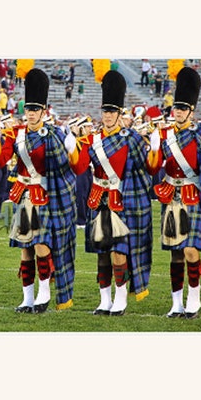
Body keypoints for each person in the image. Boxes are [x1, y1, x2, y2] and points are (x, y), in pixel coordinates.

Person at [0, 68, 77, 312]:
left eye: (35, 110)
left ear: (44, 112)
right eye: (28, 109)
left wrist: (69, 149)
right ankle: (27, 299)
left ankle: (44, 294)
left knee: (41, 245)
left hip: (45, 197)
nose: (31, 114)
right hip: (24, 196)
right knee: (25, 248)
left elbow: (64, 167)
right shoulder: (16, 134)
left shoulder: (54, 134)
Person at [147, 67, 201, 318]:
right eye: (176, 108)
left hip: (193, 196)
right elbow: (153, 168)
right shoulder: (164, 134)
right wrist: (152, 151)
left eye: (183, 108)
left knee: (191, 250)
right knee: (175, 253)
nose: (179, 112)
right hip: (171, 195)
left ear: (191, 110)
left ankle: (194, 299)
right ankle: (176, 303)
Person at [70, 70, 153, 315]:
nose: (108, 116)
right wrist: (73, 148)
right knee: (102, 254)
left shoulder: (132, 138)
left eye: (112, 112)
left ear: (120, 113)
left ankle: (121, 297)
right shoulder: (92, 139)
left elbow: (144, 169)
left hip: (122, 200)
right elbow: (80, 167)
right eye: (105, 112)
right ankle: (104, 300)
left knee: (119, 253)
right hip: (99, 200)